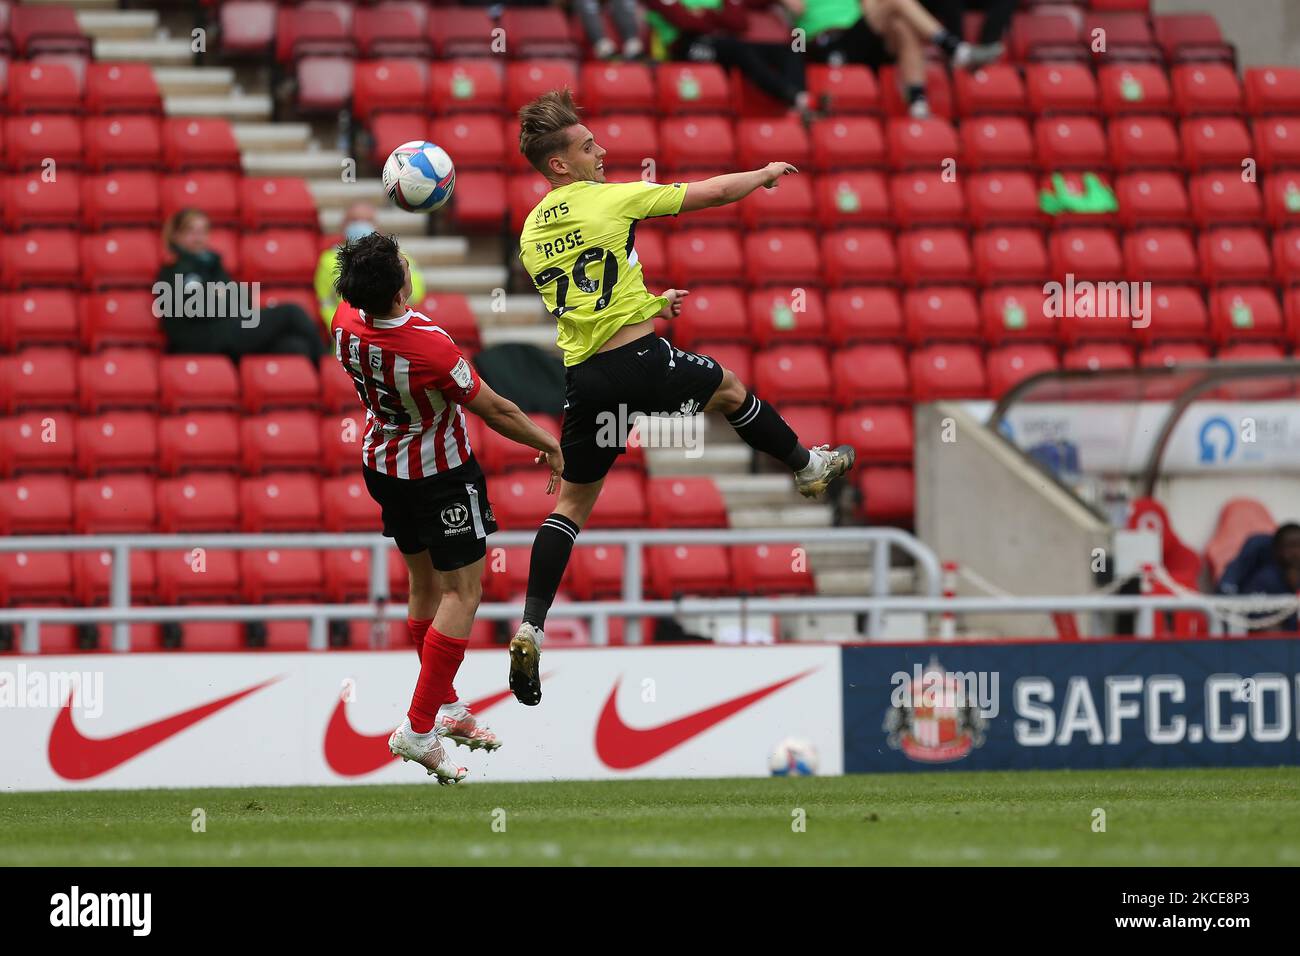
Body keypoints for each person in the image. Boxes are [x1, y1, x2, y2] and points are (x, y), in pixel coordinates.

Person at [507, 89, 855, 706]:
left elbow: (590, 298)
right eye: (588, 146)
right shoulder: (611, 197)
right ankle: (807, 467)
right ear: (559, 164)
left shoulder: (532, 230)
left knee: (571, 506)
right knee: (729, 389)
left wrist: (651, 304)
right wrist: (763, 175)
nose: (602, 150)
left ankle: (531, 624)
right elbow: (712, 193)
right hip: (641, 360)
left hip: (586, 378)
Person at [331, 232, 564, 783]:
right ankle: (416, 729)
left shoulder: (342, 321)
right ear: (397, 290)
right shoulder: (428, 345)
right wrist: (546, 442)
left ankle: (449, 708)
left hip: (382, 466)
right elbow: (496, 409)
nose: (407, 262)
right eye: (400, 262)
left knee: (424, 589)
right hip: (439, 476)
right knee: (463, 592)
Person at [155, 209, 326, 362]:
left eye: (203, 232)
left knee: (296, 347)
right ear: (176, 236)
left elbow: (243, 300)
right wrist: (221, 297)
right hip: (202, 340)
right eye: (191, 232)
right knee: (291, 312)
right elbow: (198, 308)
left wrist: (219, 297)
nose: (199, 238)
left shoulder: (212, 265)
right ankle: (331, 366)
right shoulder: (174, 271)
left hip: (229, 331)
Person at [782, 0, 989, 118]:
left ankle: (918, 103)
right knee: (896, 1)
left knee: (902, 26)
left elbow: (868, 8)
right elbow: (795, 7)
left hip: (860, 36)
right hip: (829, 43)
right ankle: (954, 49)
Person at [644, 0, 813, 119]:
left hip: (721, 41)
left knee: (787, 50)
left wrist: (704, 15)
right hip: (683, 46)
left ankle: (798, 102)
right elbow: (685, 22)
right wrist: (716, 16)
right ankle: (791, 95)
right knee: (738, 50)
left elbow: (738, 22)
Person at [314, 201, 425, 329]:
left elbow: (415, 292)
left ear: (377, 226)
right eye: (355, 220)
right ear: (343, 225)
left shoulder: (398, 257)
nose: (361, 225)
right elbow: (325, 303)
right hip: (349, 335)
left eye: (367, 220)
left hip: (391, 329)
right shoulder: (328, 259)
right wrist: (346, 328)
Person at [1218, 523, 1300, 632]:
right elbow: (1260, 623)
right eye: (1291, 546)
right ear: (1277, 550)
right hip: (1274, 642)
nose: (1296, 552)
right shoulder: (1267, 578)